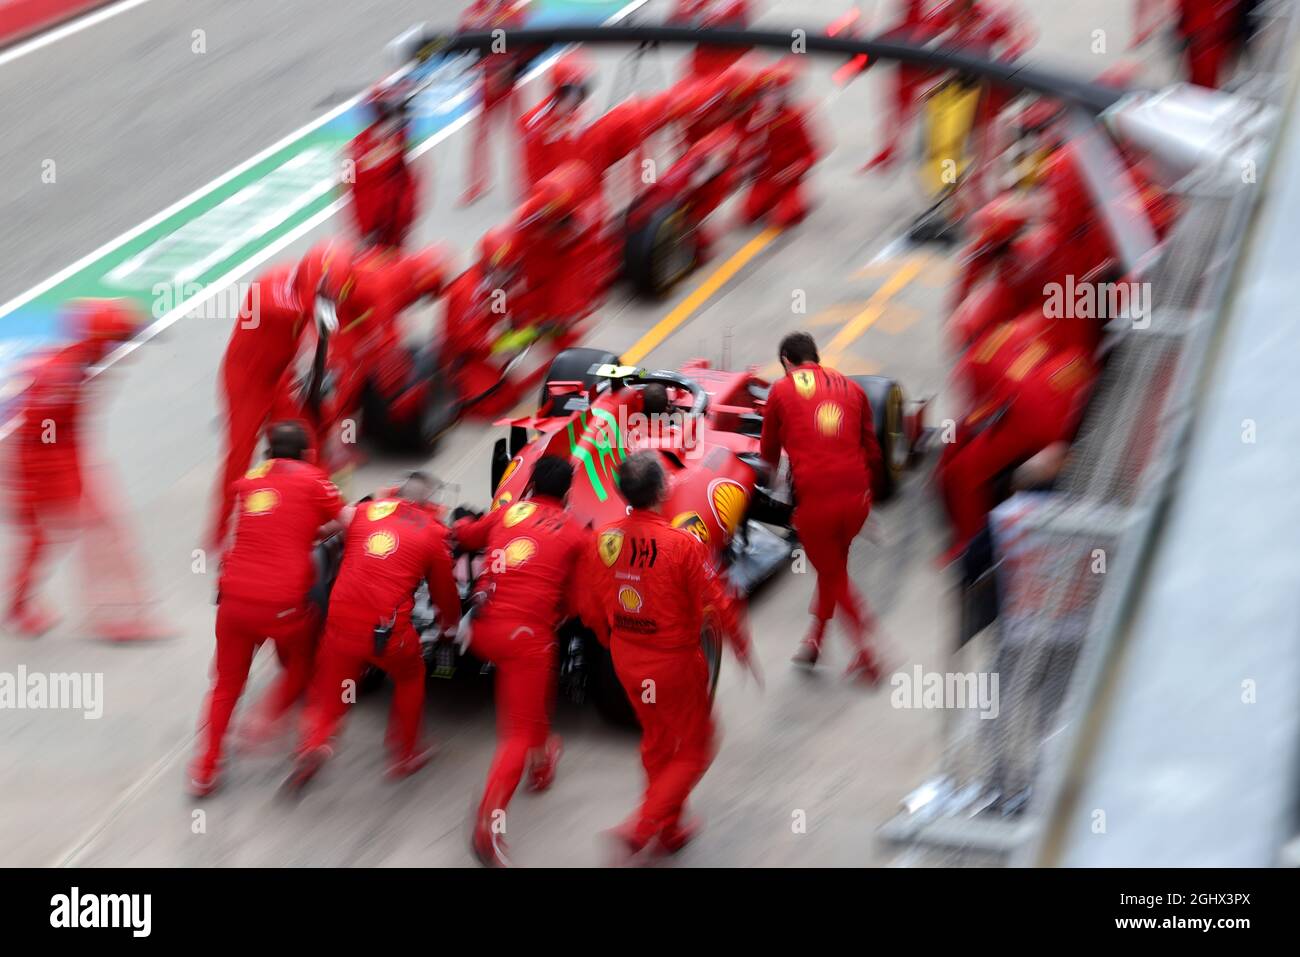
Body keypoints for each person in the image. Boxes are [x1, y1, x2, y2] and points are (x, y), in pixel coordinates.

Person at [582, 452, 759, 862]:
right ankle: (641, 827)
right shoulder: (683, 545)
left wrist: (611, 643)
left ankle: (672, 827)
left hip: (628, 660)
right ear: (664, 490)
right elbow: (719, 602)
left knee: (658, 741)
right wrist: (742, 648)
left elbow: (590, 606)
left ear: (620, 492)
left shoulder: (602, 540)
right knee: (697, 747)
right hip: (674, 662)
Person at [188, 422, 345, 797]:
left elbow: (273, 523)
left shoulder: (250, 480)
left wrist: (309, 530)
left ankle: (204, 769)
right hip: (283, 603)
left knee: (225, 686)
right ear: (306, 454)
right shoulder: (315, 478)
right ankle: (274, 724)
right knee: (305, 661)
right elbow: (346, 521)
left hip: (233, 600)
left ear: (268, 453)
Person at [284, 471, 461, 794]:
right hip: (387, 630)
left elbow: (328, 535)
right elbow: (444, 592)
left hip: (340, 618)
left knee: (330, 686)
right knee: (410, 677)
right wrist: (450, 625)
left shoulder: (363, 513)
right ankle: (404, 753)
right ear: (429, 502)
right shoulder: (434, 533)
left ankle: (315, 744)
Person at [452, 457, 589, 867]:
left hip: (479, 630)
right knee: (516, 732)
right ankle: (486, 826)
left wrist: (457, 525)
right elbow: (578, 604)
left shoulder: (508, 512)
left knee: (533, 695)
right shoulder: (577, 535)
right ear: (566, 493)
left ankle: (543, 761)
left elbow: (469, 535)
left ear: (529, 485)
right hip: (525, 641)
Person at [4, 300, 164, 641]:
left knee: (55, 537)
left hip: (60, 459)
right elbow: (38, 438)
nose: (123, 348)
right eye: (118, 339)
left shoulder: (79, 364)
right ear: (99, 339)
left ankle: (21, 606)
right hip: (41, 466)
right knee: (86, 535)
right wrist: (59, 488)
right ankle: (118, 618)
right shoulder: (60, 377)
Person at [208, 239, 353, 550]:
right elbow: (296, 313)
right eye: (323, 296)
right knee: (239, 454)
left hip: (281, 375)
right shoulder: (270, 289)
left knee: (307, 441)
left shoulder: (312, 293)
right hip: (246, 380)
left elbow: (322, 329)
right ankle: (219, 532)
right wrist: (318, 311)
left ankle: (315, 516)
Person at [759, 333, 884, 680]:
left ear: (786, 360)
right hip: (856, 500)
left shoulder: (782, 390)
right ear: (815, 356)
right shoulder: (853, 388)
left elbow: (768, 453)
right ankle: (814, 642)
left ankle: (868, 652)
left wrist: (770, 484)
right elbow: (872, 451)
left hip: (817, 503)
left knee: (833, 575)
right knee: (834, 568)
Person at [459, 0, 533, 205]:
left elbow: (519, 44)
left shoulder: (512, 9)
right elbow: (464, 32)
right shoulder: (478, 8)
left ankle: (523, 185)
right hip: (488, 80)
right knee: (479, 135)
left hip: (509, 80)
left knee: (518, 134)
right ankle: (476, 184)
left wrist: (505, 72)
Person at [742, 63, 820, 228]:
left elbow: (813, 153)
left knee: (786, 218)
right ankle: (770, 202)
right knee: (749, 214)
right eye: (765, 93)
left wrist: (794, 171)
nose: (769, 98)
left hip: (787, 179)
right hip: (764, 179)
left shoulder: (793, 118)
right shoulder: (752, 115)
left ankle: (795, 199)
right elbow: (738, 137)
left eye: (776, 93)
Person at [347, 82, 420, 248]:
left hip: (383, 224)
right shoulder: (394, 142)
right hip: (377, 227)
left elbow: (346, 183)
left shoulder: (356, 146)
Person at [519, 52, 592, 190]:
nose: (577, 99)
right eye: (574, 93)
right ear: (561, 91)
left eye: (580, 93)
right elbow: (533, 173)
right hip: (550, 192)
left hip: (574, 186)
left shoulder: (579, 115)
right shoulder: (534, 123)